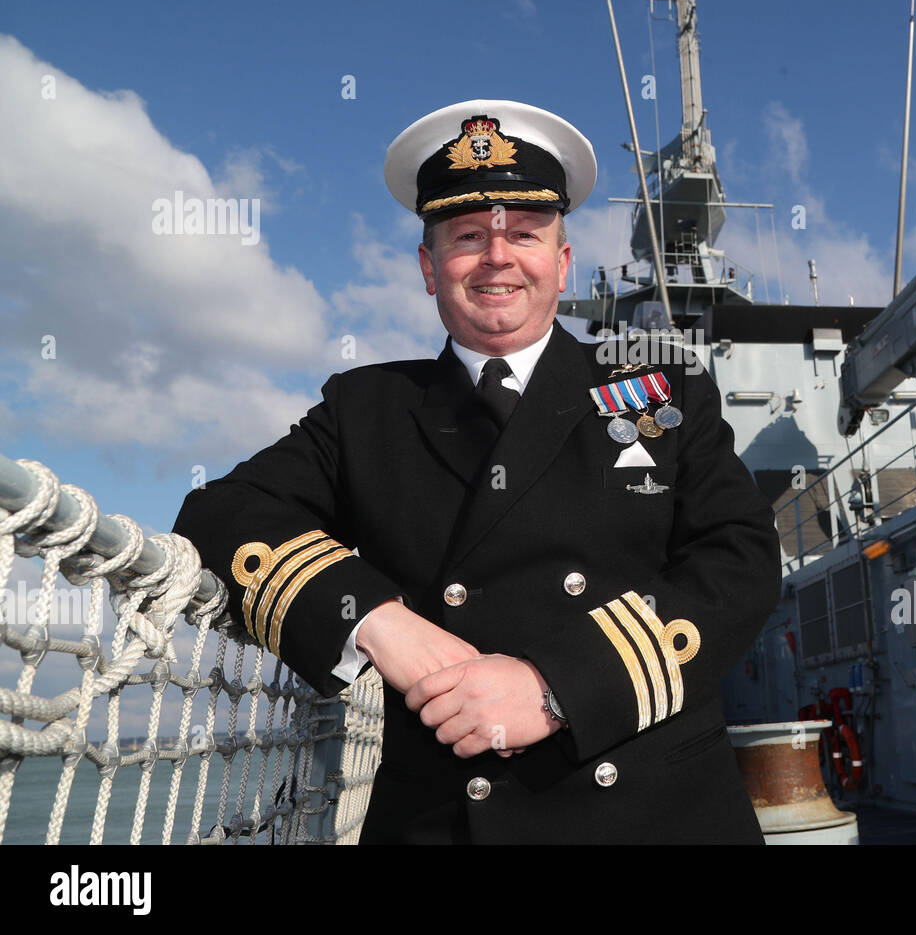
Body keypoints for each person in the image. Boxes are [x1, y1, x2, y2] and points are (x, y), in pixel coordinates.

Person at [172, 99, 782, 844]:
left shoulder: (663, 387)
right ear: (430, 268)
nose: (498, 256)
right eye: (467, 236)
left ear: (559, 264)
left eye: (525, 234)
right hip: (447, 819)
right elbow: (220, 515)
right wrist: (378, 622)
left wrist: (556, 685)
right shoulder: (367, 409)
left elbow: (740, 559)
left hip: (657, 813)